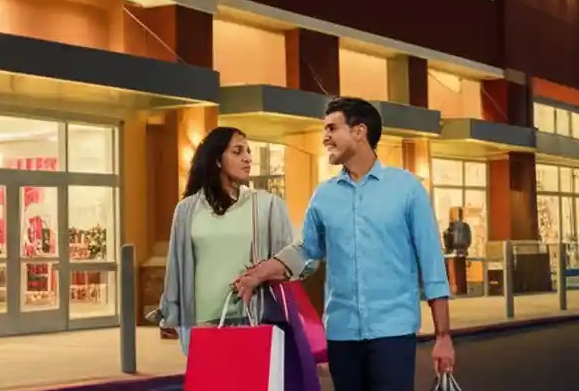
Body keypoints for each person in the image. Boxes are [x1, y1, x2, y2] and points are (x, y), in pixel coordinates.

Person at [234, 97, 455, 391]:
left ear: (359, 131)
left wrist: (443, 336)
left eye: (332, 128)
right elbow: (306, 252)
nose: (324, 137)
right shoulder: (324, 196)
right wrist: (261, 272)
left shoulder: (407, 189)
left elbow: (432, 265)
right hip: (341, 334)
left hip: (393, 332)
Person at [154, 126, 301, 356]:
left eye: (248, 151)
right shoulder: (187, 210)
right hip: (201, 323)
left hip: (253, 318)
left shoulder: (268, 206)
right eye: (237, 151)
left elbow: (292, 260)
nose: (247, 158)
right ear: (217, 160)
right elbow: (176, 266)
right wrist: (170, 313)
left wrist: (259, 274)